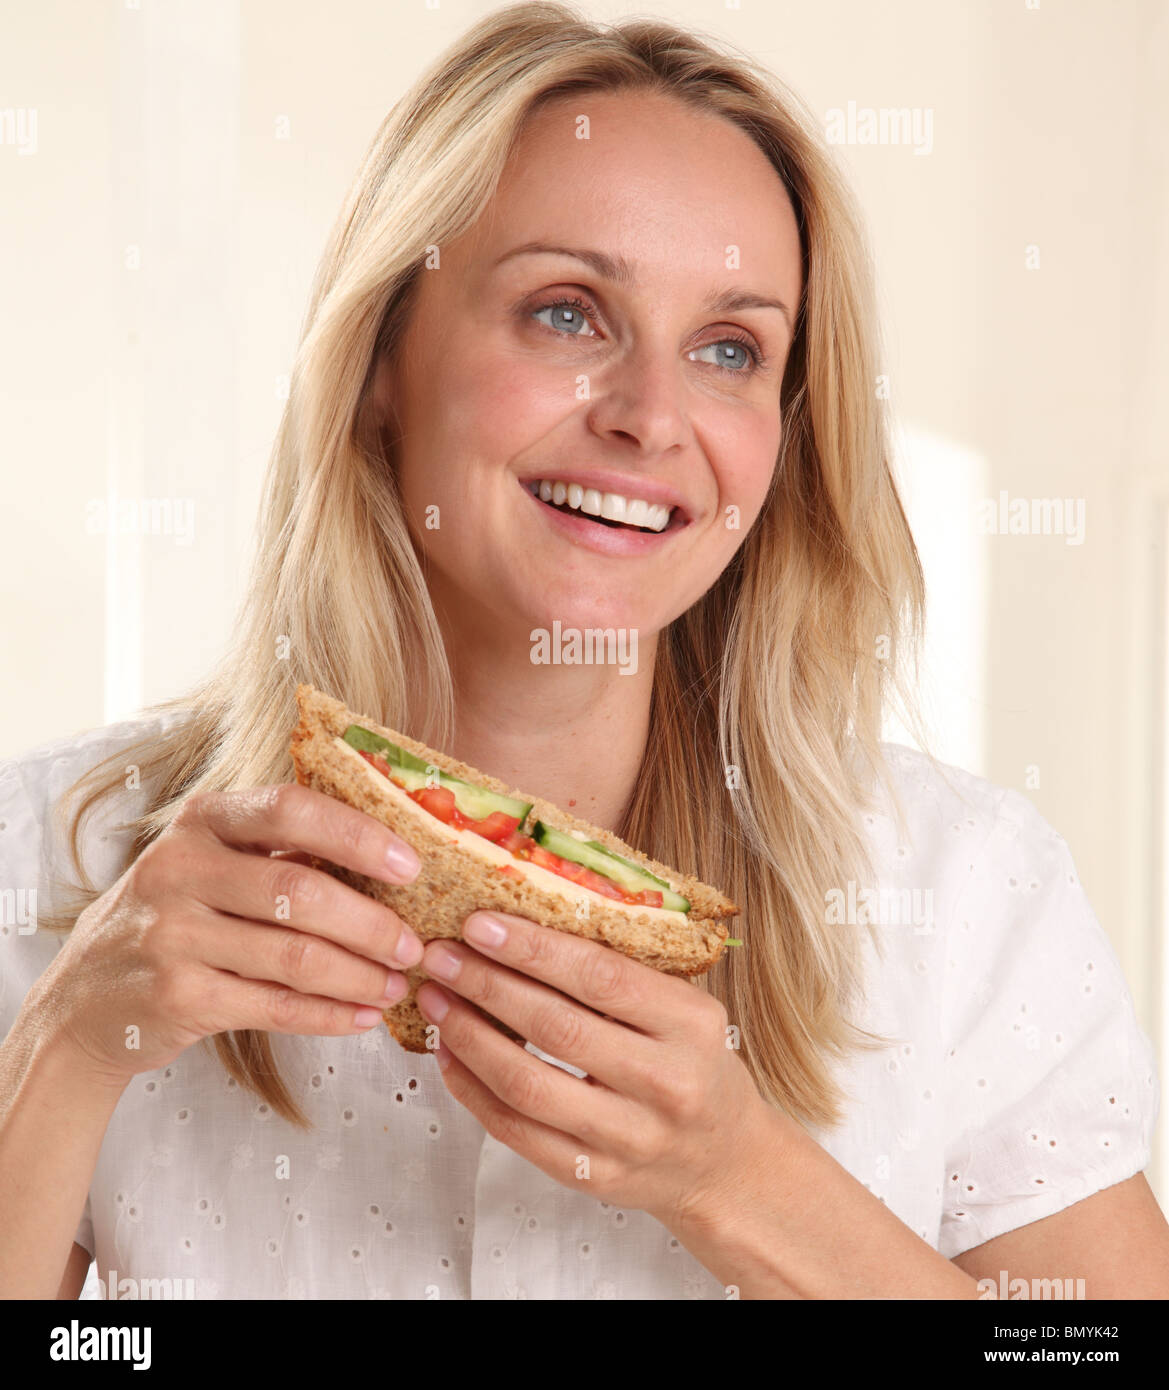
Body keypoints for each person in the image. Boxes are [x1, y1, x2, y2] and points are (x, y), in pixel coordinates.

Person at [1, 2, 1165, 1301]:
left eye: (729, 349)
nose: (651, 417)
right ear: (382, 355)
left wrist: (739, 1178)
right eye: (566, 312)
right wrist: (66, 1042)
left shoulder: (959, 891)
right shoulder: (61, 852)